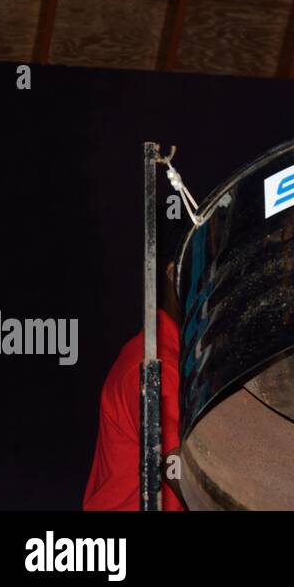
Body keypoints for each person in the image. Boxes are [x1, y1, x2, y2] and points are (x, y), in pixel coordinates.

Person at [82, 219, 185, 511]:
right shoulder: (155, 364)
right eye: (208, 270)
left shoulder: (180, 358)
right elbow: (188, 472)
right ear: (173, 273)